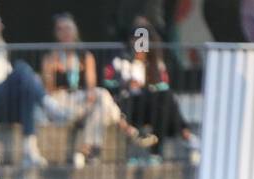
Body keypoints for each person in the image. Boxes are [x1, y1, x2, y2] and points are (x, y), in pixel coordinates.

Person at [0, 4, 66, 167]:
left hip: (5, 102)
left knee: (26, 83)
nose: (1, 26)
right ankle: (47, 103)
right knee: (22, 68)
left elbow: (8, 75)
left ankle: (30, 150)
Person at [40, 13, 156, 167]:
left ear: (75, 32)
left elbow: (90, 87)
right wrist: (53, 69)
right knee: (103, 99)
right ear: (56, 33)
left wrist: (89, 94)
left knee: (100, 98)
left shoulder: (85, 57)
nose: (66, 33)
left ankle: (84, 150)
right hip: (60, 103)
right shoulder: (50, 57)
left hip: (82, 101)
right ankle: (127, 129)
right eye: (61, 29)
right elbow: (48, 90)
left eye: (68, 28)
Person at [102, 16, 200, 166]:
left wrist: (147, 86)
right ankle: (185, 135)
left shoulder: (155, 64)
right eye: (136, 39)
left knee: (164, 100)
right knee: (165, 101)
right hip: (128, 105)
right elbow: (108, 85)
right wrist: (126, 84)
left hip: (151, 107)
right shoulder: (120, 61)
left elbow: (163, 87)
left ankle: (156, 153)